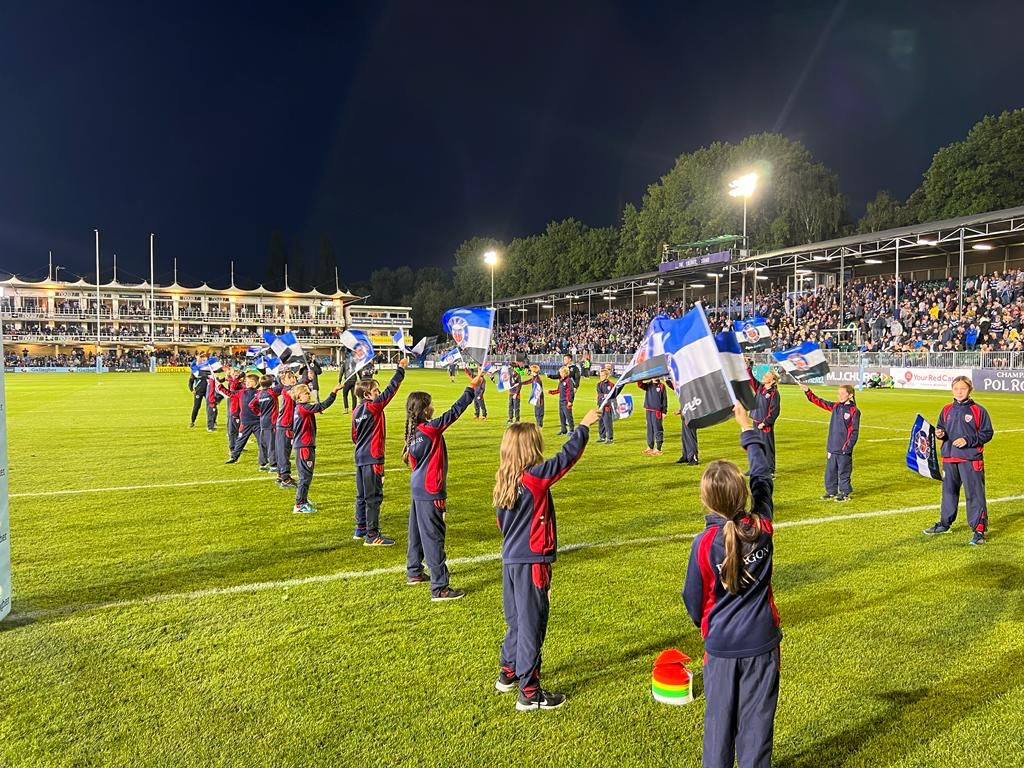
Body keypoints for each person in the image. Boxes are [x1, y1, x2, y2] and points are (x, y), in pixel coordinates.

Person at [682, 404, 781, 768]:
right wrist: (746, 428)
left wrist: (707, 626)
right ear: (743, 495)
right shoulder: (763, 527)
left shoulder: (702, 544)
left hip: (721, 646)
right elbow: (762, 475)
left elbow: (693, 600)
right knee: (756, 726)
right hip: (761, 643)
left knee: (718, 725)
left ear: (705, 500)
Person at [493, 408, 600, 711]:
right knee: (531, 625)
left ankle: (508, 671)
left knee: (516, 622)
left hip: (511, 562)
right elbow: (565, 458)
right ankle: (529, 692)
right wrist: (583, 426)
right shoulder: (534, 479)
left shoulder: (505, 480)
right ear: (530, 449)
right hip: (531, 563)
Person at [402, 374, 482, 601]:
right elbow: (455, 411)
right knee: (433, 537)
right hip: (430, 490)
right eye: (431, 404)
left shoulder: (413, 433)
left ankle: (414, 571)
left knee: (416, 533)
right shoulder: (431, 429)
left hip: (417, 488)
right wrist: (471, 388)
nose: (434, 407)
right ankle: (440, 588)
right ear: (425, 410)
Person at [923, 376, 994, 544]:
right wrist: (940, 433)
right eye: (956, 389)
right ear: (952, 390)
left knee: (974, 495)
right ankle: (945, 524)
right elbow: (941, 428)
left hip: (970, 459)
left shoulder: (978, 410)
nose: (959, 391)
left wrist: (968, 440)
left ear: (969, 390)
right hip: (949, 457)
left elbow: (987, 433)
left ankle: (978, 530)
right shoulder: (947, 409)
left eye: (963, 388)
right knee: (948, 493)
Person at [352, 359, 408, 545]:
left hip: (360, 457)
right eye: (375, 390)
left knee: (361, 495)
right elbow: (390, 391)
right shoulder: (373, 407)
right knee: (373, 497)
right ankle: (372, 535)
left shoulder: (356, 410)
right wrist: (400, 369)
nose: (378, 393)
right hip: (373, 457)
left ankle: (360, 528)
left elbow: (354, 435)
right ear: (367, 394)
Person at [799, 382, 860, 501]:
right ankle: (831, 491)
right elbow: (819, 401)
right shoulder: (836, 406)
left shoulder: (854, 411)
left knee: (843, 471)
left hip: (843, 448)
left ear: (850, 395)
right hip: (832, 446)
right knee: (830, 470)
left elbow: (854, 432)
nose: (840, 396)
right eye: (839, 393)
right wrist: (807, 391)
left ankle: (844, 492)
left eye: (842, 393)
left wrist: (847, 447)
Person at [291, 381, 344, 513]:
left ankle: (303, 499)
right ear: (299, 396)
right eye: (306, 393)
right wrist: (334, 392)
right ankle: (299, 505)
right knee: (305, 476)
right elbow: (322, 406)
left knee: (305, 475)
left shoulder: (299, 408)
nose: (309, 395)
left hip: (303, 445)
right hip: (305, 446)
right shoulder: (304, 408)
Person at [225, 372, 262, 464]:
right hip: (245, 422)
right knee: (240, 440)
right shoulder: (242, 392)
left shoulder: (259, 393)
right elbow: (230, 393)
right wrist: (220, 387)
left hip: (257, 422)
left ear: (255, 383)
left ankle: (264, 460)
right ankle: (234, 457)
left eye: (250, 381)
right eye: (246, 381)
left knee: (262, 442)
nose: (247, 383)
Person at [749, 369, 780, 475]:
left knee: (767, 447)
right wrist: (749, 367)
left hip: (764, 425)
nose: (764, 377)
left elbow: (774, 411)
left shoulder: (774, 393)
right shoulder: (760, 387)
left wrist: (765, 423)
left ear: (773, 380)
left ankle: (770, 471)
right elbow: (751, 379)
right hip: (756, 421)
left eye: (767, 376)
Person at [273, 369, 299, 489]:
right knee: (284, 451)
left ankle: (280, 475)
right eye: (290, 378)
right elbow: (298, 392)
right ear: (283, 381)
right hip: (285, 425)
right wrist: (307, 379)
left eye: (293, 377)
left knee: (282, 451)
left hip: (283, 424)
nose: (293, 379)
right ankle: (285, 478)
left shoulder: (288, 390)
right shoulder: (288, 391)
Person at [249, 374, 280, 473]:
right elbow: (283, 386)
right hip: (272, 421)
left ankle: (262, 463)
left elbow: (251, 405)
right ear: (271, 383)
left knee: (263, 443)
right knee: (272, 443)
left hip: (262, 420)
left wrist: (259, 412)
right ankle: (273, 464)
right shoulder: (272, 392)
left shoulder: (259, 394)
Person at [638, 378, 669, 455]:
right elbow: (640, 385)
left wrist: (664, 411)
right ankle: (650, 447)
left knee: (657, 429)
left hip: (657, 411)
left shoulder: (661, 386)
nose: (655, 377)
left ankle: (658, 448)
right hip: (648, 410)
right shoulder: (648, 385)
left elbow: (664, 399)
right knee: (649, 429)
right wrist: (639, 378)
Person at [547, 365, 575, 436]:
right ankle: (563, 430)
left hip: (566, 402)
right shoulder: (561, 381)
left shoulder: (568, 381)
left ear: (565, 373)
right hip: (561, 401)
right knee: (562, 416)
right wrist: (551, 392)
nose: (560, 374)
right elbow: (558, 390)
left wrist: (570, 401)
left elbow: (570, 392)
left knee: (568, 416)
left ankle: (571, 430)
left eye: (561, 373)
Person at [187, 355, 210, 428]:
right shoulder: (195, 371)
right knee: (196, 406)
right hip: (198, 391)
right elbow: (191, 381)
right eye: (201, 360)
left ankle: (212, 421)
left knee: (211, 406)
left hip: (208, 390)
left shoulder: (208, 370)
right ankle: (192, 421)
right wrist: (191, 389)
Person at [595, 368, 615, 444]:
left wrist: (607, 397)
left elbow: (613, 395)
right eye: (600, 375)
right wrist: (605, 395)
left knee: (607, 422)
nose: (601, 377)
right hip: (600, 406)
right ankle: (602, 437)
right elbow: (599, 394)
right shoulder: (599, 384)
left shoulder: (611, 385)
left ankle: (610, 438)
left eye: (603, 375)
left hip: (607, 406)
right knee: (601, 422)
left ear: (607, 376)